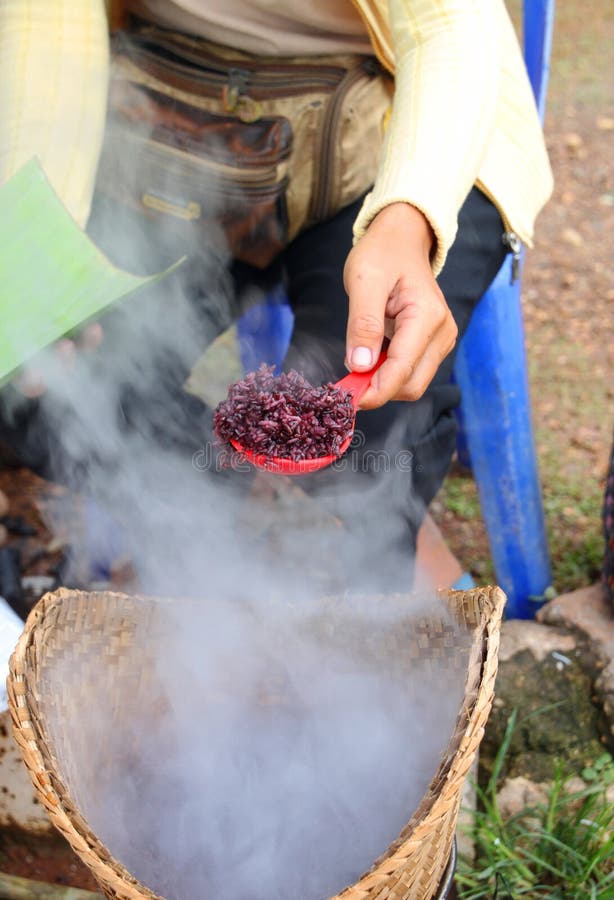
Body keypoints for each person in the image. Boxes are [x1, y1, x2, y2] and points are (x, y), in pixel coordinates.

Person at [0, 0, 553, 593]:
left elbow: (449, 32)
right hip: (177, 133)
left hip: (401, 130)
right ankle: (221, 505)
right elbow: (44, 21)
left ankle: (374, 552)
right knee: (36, 385)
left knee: (375, 404)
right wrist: (41, 262)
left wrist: (409, 217)